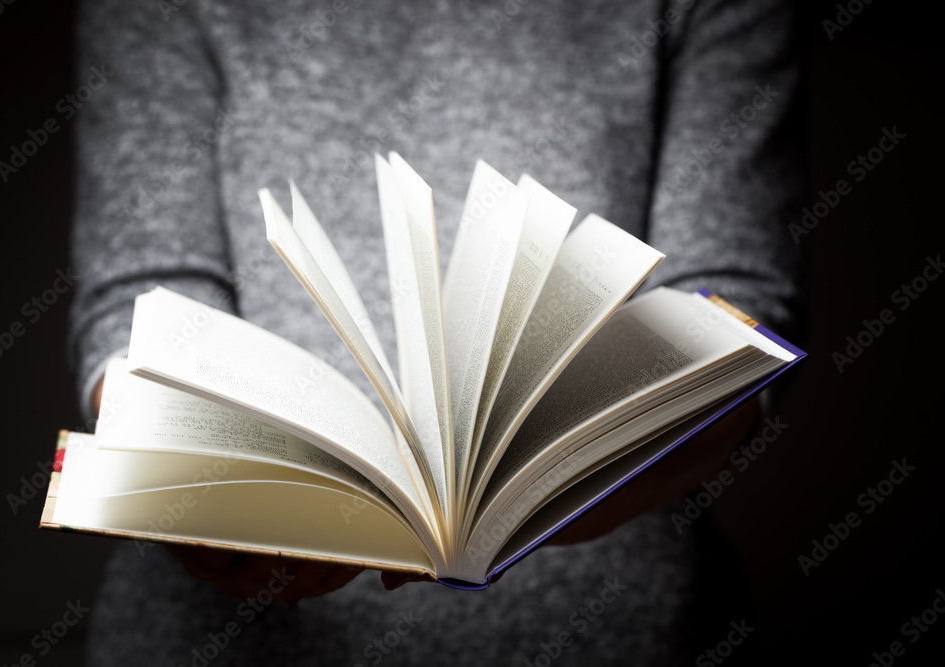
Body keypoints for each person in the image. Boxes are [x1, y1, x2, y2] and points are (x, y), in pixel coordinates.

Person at [69, 0, 804, 663]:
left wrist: (552, 474)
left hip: (627, 633)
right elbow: (143, 301)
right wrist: (205, 462)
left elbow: (730, 306)